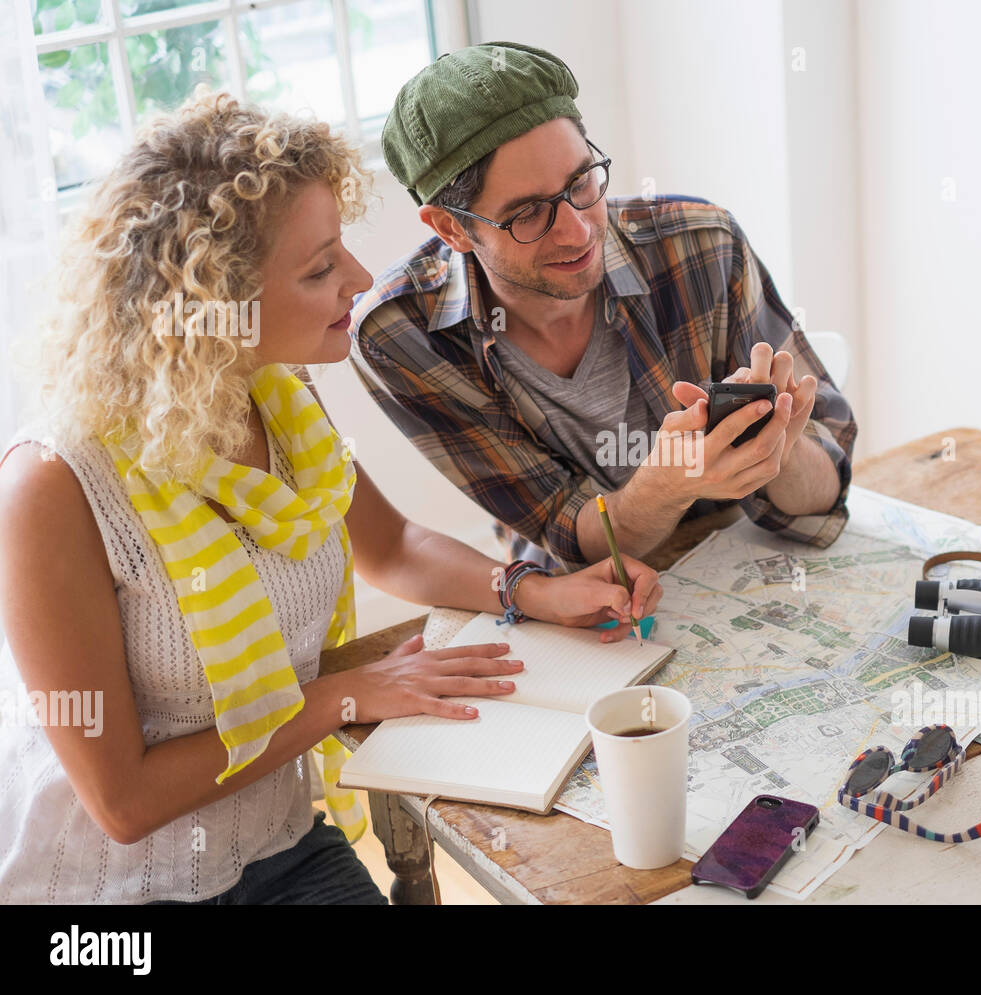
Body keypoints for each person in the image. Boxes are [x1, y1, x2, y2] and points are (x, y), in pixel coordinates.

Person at [0, 88, 661, 905]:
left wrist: (536, 591)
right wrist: (341, 696)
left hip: (278, 844)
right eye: (319, 269)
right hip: (109, 897)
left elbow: (389, 546)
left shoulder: (275, 393)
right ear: (215, 308)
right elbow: (123, 802)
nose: (358, 276)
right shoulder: (52, 486)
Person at [349, 41, 858, 573]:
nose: (578, 230)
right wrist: (665, 486)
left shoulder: (704, 244)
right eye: (527, 213)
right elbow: (561, 533)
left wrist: (778, 448)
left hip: (743, 559)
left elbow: (824, 495)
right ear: (452, 227)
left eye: (581, 182)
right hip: (584, 608)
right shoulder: (399, 333)